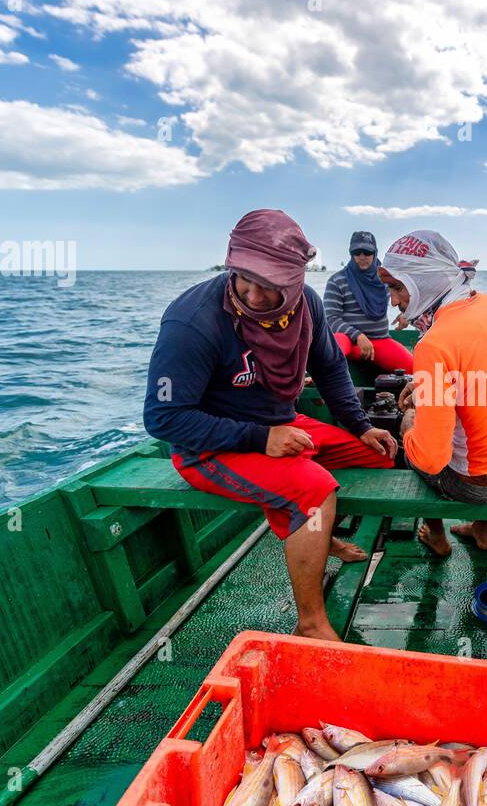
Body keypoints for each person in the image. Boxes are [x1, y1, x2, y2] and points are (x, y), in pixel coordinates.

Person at [143, 209, 398, 642]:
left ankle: (317, 540)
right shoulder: (192, 321)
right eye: (245, 278)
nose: (254, 294)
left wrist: (360, 426)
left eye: (271, 285)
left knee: (381, 458)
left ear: (296, 279)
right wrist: (259, 438)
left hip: (280, 423)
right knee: (315, 493)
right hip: (212, 447)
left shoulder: (308, 305)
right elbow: (164, 418)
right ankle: (312, 622)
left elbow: (332, 367)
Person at [378, 230, 487, 556]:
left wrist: (412, 421)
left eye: (398, 288)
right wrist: (429, 391)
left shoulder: (433, 343)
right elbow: (486, 379)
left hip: (479, 487)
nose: (394, 301)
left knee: (410, 439)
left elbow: (431, 459)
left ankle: (436, 537)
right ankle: (481, 531)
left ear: (424, 284)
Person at [323, 230, 415, 372]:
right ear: (351, 254)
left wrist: (407, 314)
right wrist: (358, 336)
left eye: (367, 252)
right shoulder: (336, 280)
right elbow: (331, 319)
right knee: (331, 347)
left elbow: (405, 297)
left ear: (375, 253)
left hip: (380, 341)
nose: (362, 257)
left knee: (416, 368)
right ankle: (319, 379)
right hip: (348, 341)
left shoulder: (385, 278)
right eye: (357, 252)